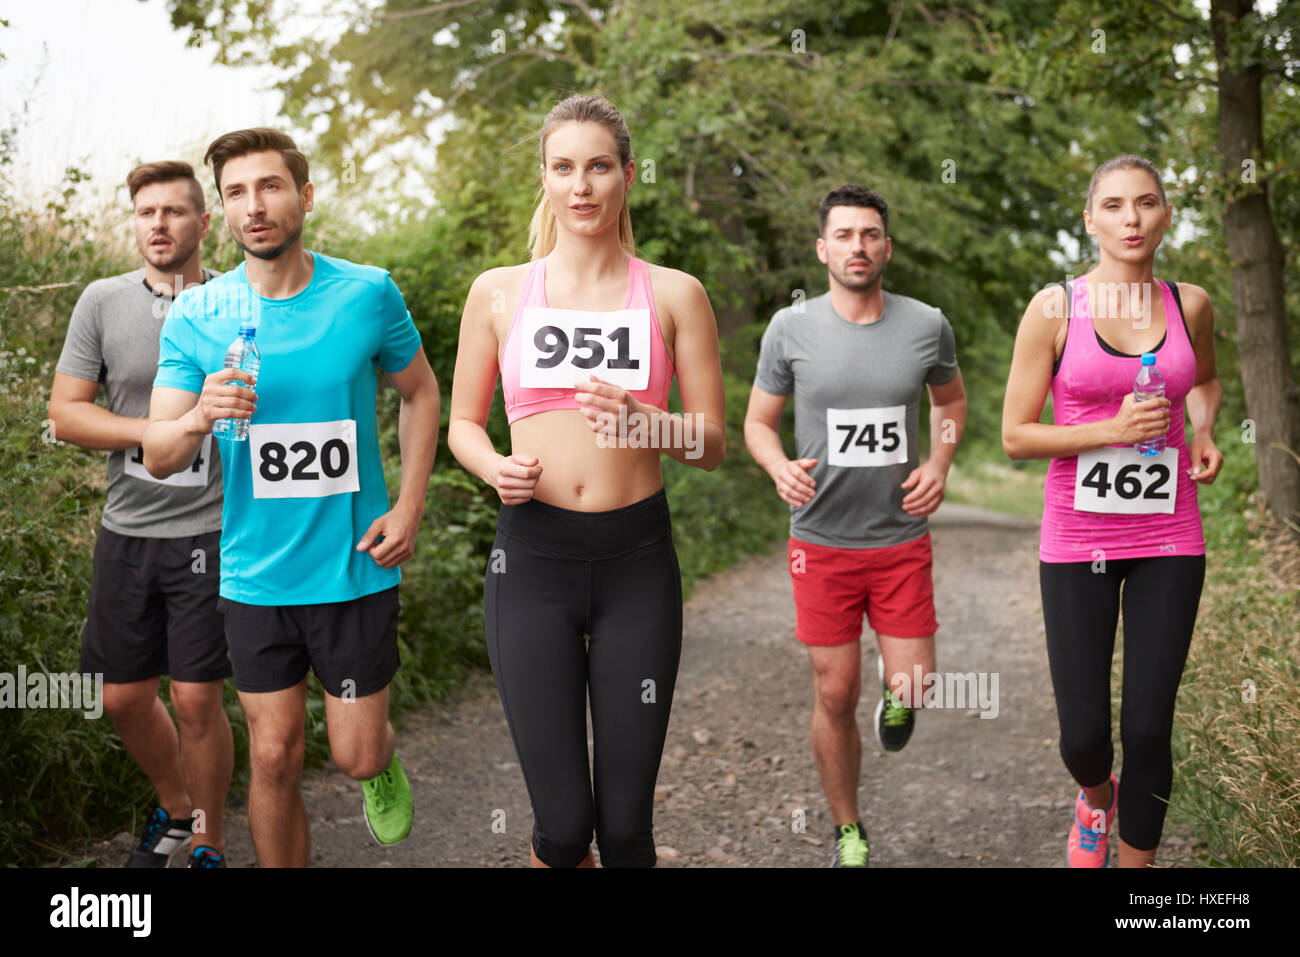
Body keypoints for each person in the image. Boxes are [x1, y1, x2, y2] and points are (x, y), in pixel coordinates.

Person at [142, 128, 440, 867]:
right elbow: (158, 453)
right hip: (254, 572)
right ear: (225, 211)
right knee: (272, 755)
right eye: (237, 193)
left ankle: (380, 762)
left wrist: (407, 505)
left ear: (303, 197)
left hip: (353, 565)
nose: (255, 206)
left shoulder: (365, 293)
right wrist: (196, 414)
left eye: (270, 186)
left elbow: (420, 390)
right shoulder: (198, 315)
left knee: (356, 754)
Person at [448, 94, 725, 868]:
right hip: (531, 561)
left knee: (628, 833)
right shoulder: (499, 292)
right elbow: (462, 425)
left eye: (599, 166)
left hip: (637, 561)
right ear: (544, 177)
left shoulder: (675, 294)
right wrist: (491, 464)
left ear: (628, 176)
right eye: (564, 167)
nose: (582, 185)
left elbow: (710, 443)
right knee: (566, 830)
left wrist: (650, 423)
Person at [1002, 154, 1223, 868]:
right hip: (1078, 539)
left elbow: (1206, 382)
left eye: (1148, 203)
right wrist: (1109, 430)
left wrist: (1207, 429)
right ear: (1091, 218)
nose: (1133, 219)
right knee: (1085, 736)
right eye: (1116, 205)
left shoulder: (1191, 304)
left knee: (1151, 727)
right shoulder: (1055, 308)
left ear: (1166, 214)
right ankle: (1096, 797)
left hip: (1169, 533)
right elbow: (1015, 434)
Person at [744, 184, 966, 867]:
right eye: (844, 235)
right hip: (820, 540)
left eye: (869, 234)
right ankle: (848, 826)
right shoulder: (791, 329)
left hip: (899, 537)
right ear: (823, 248)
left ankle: (895, 694)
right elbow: (757, 423)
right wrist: (778, 465)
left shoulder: (926, 324)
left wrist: (940, 460)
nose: (858, 246)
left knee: (915, 687)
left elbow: (951, 402)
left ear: (886, 247)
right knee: (834, 689)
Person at [48, 161, 232, 868]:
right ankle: (178, 811)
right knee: (122, 696)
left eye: (174, 212)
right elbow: (64, 414)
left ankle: (210, 840)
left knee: (194, 699)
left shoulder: (237, 301)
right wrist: (154, 433)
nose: (158, 224)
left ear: (202, 223)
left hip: (210, 529)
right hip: (128, 528)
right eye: (145, 212)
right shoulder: (102, 301)